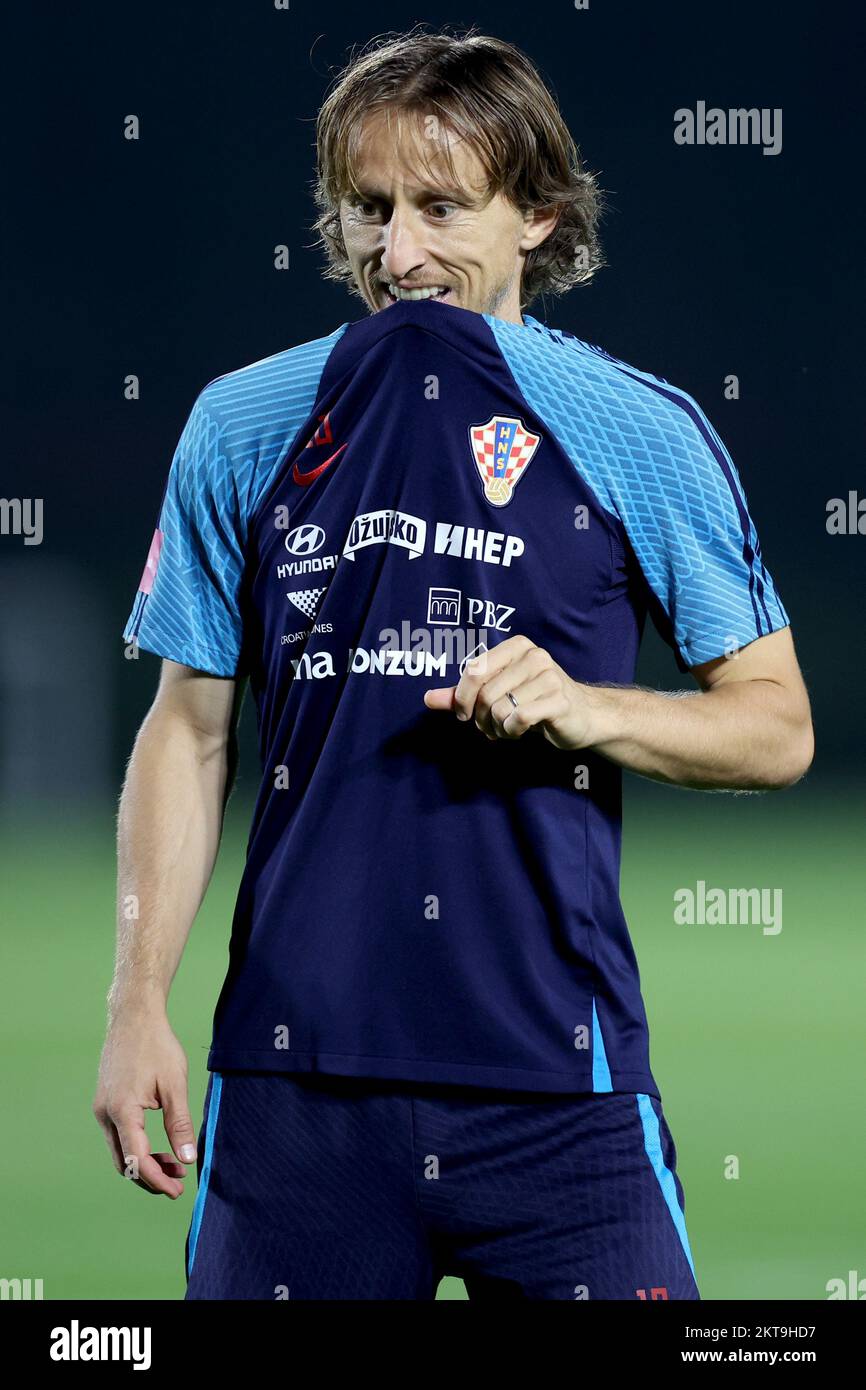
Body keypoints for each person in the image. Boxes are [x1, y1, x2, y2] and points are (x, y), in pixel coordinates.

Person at [94, 28, 813, 1300]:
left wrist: (587, 708)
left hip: (559, 1089)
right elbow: (188, 729)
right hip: (293, 1087)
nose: (398, 252)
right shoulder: (244, 420)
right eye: (368, 210)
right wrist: (134, 997)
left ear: (537, 214)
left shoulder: (639, 434)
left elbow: (773, 727)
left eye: (440, 207)